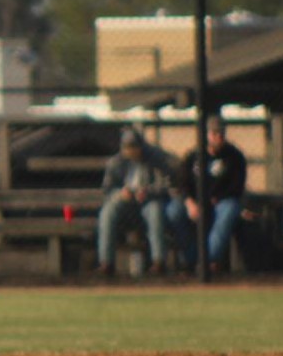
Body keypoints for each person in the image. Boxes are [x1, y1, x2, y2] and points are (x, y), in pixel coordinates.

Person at [165, 114, 248, 273]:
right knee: (173, 211)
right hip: (194, 202)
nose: (218, 137)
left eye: (221, 133)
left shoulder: (234, 156)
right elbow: (182, 183)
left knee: (229, 209)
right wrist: (190, 202)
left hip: (221, 202)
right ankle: (192, 258)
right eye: (214, 133)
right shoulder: (193, 156)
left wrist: (218, 198)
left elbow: (237, 186)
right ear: (207, 135)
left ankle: (208, 259)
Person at [95, 128, 175, 276]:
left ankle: (158, 262)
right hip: (124, 203)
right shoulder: (115, 162)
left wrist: (148, 192)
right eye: (127, 147)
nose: (130, 151)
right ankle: (106, 263)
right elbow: (107, 189)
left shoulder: (155, 158)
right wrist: (121, 193)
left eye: (134, 147)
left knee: (155, 211)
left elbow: (165, 185)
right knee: (107, 213)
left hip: (148, 201)